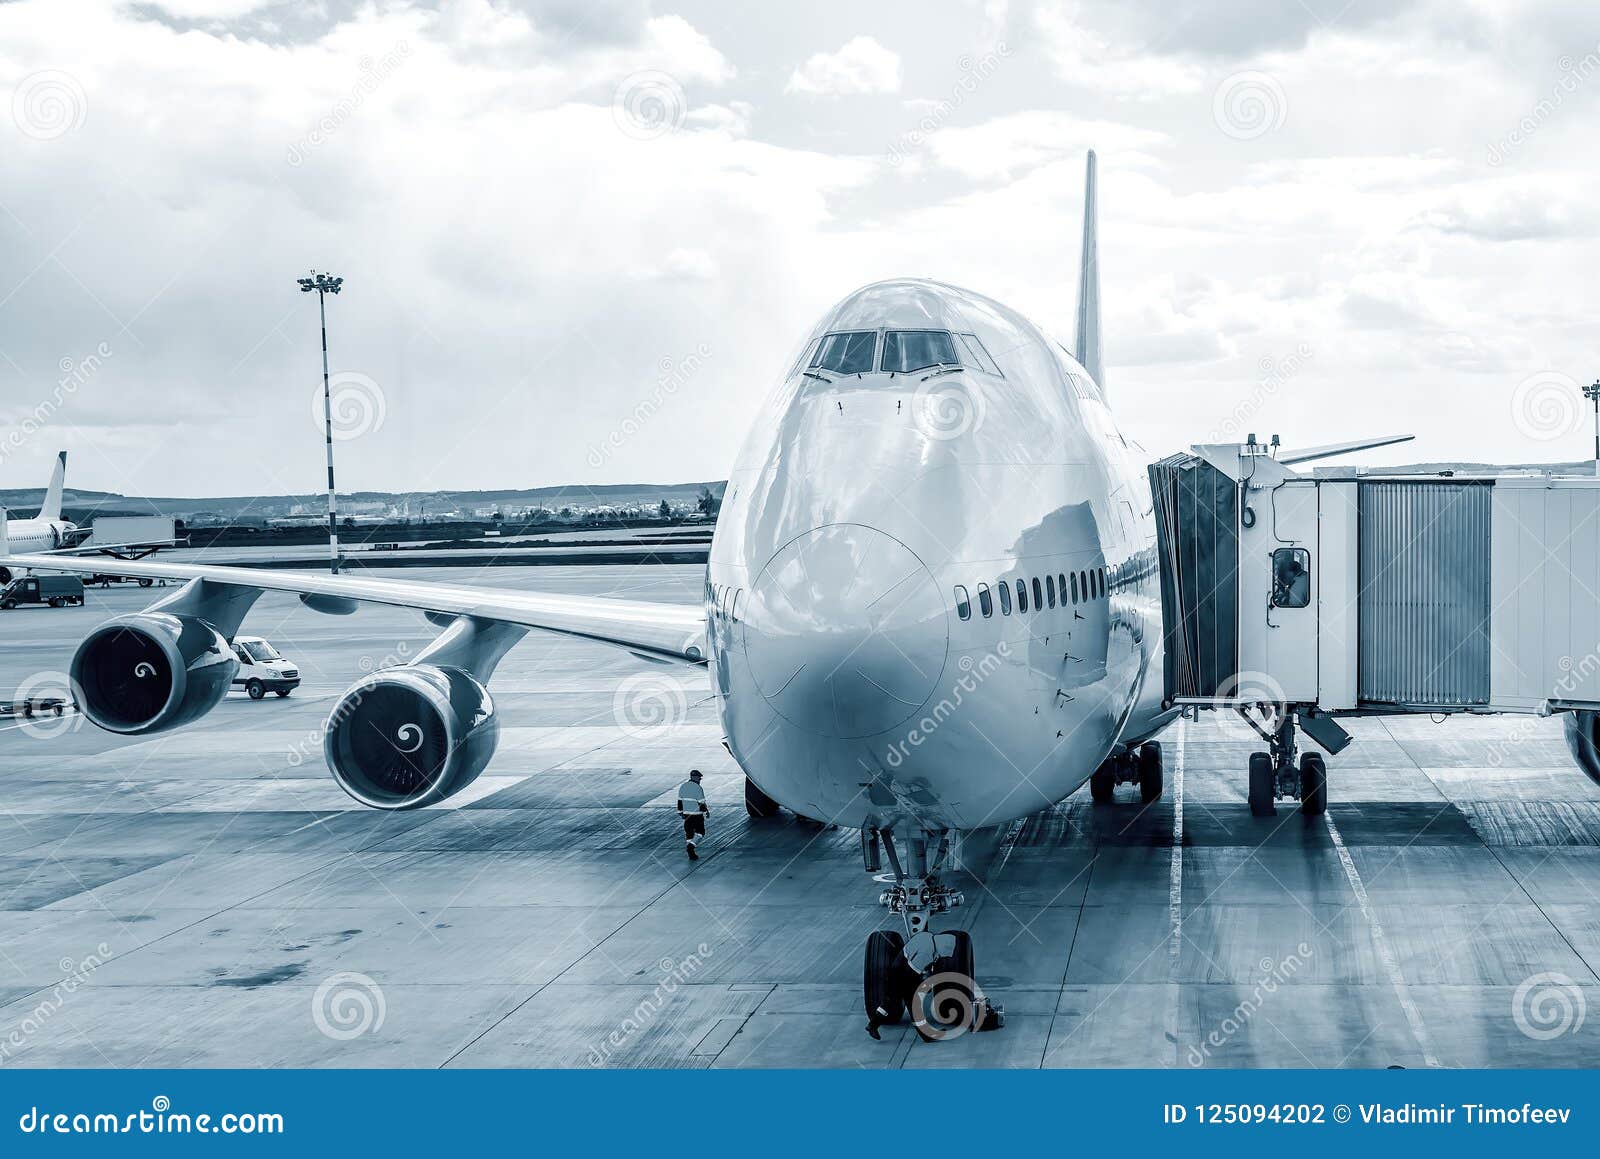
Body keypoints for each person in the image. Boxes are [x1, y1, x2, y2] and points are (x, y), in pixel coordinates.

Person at [676, 769, 708, 860]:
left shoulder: (683, 786)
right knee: (701, 832)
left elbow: (680, 801)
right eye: (699, 778)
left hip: (687, 815)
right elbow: (701, 803)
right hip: (697, 815)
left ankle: (691, 853)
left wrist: (680, 812)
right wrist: (706, 812)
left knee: (689, 833)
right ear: (695, 777)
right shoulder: (698, 787)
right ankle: (691, 847)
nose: (700, 780)